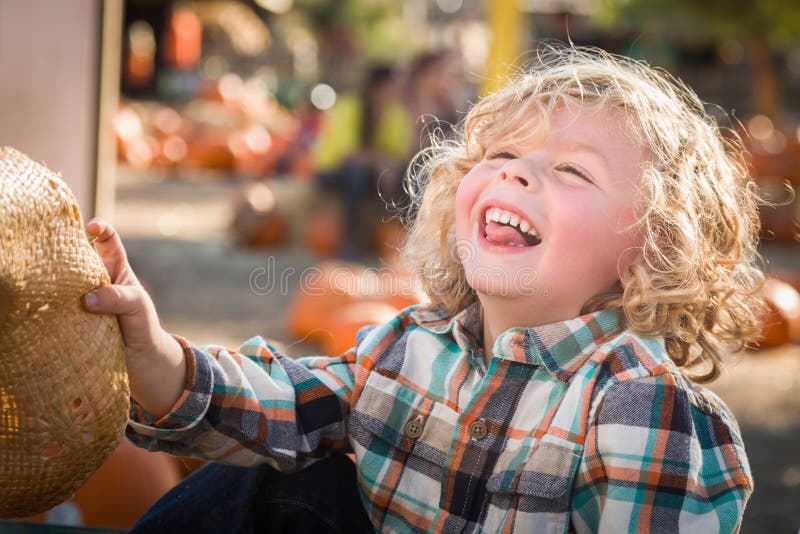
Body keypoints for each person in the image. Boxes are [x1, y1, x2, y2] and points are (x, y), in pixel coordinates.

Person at [83, 45, 762, 533]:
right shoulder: (410, 348)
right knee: (275, 469)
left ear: (654, 244)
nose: (516, 176)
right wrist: (154, 358)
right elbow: (281, 402)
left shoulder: (640, 411)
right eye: (500, 156)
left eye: (573, 171)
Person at [312, 64, 414, 258]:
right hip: (334, 170)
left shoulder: (396, 113)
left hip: (372, 173)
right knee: (356, 172)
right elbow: (346, 153)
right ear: (379, 86)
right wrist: (379, 162)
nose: (400, 90)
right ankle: (349, 239)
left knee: (409, 173)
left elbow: (397, 154)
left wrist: (385, 165)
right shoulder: (350, 106)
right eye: (395, 85)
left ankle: (400, 237)